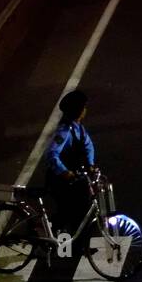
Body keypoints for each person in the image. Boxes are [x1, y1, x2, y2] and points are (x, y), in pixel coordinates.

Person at [43, 89, 97, 240]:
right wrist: (65, 172)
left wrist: (90, 165)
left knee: (81, 208)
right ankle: (52, 235)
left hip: (74, 178)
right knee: (68, 210)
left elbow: (88, 146)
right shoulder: (64, 131)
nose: (85, 110)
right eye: (83, 108)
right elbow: (51, 154)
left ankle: (78, 241)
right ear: (78, 110)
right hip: (60, 180)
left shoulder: (79, 128)